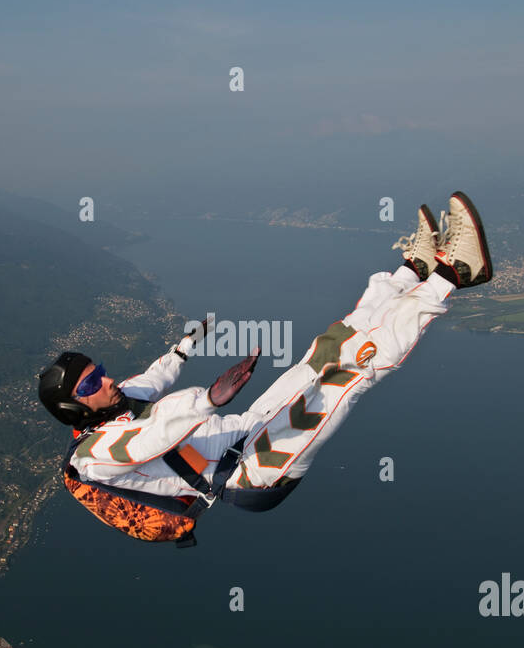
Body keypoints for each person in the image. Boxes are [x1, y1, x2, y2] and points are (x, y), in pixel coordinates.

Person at [38, 191, 493, 547]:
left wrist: (186, 345)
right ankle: (453, 276)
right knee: (346, 376)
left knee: (323, 353)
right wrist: (208, 399)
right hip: (250, 473)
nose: (109, 380)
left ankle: (410, 271)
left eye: (100, 369)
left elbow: (154, 379)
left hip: (244, 430)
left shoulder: (118, 403)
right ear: (73, 406)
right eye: (93, 382)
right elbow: (149, 440)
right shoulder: (94, 457)